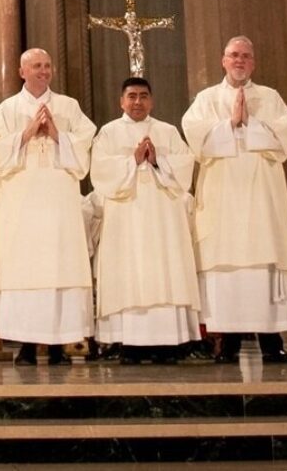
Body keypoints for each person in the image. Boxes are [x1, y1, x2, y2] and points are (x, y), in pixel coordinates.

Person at [180, 36, 287, 364]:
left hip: (262, 197)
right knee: (225, 268)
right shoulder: (207, 99)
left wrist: (251, 124)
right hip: (222, 199)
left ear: (254, 62)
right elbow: (196, 140)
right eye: (234, 55)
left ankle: (271, 342)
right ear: (223, 60)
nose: (240, 61)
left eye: (246, 55)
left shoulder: (270, 98)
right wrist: (230, 124)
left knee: (265, 264)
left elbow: (284, 141)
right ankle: (227, 342)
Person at [0, 49, 95, 366]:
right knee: (24, 269)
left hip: (59, 201)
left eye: (47, 66)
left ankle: (61, 343)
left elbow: (85, 147)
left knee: (60, 267)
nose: (43, 71)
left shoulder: (68, 107)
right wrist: (27, 133)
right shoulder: (6, 110)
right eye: (36, 66)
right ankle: (28, 345)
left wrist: (58, 135)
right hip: (21, 202)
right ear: (22, 71)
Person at [91, 77, 199, 365]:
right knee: (130, 274)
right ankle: (130, 344)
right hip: (126, 218)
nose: (137, 102)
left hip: (163, 220)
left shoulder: (167, 131)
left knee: (164, 271)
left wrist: (156, 161)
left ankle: (167, 343)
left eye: (143, 96)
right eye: (131, 96)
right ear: (121, 101)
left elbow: (185, 167)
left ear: (151, 100)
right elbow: (100, 172)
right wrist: (133, 160)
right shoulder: (109, 132)